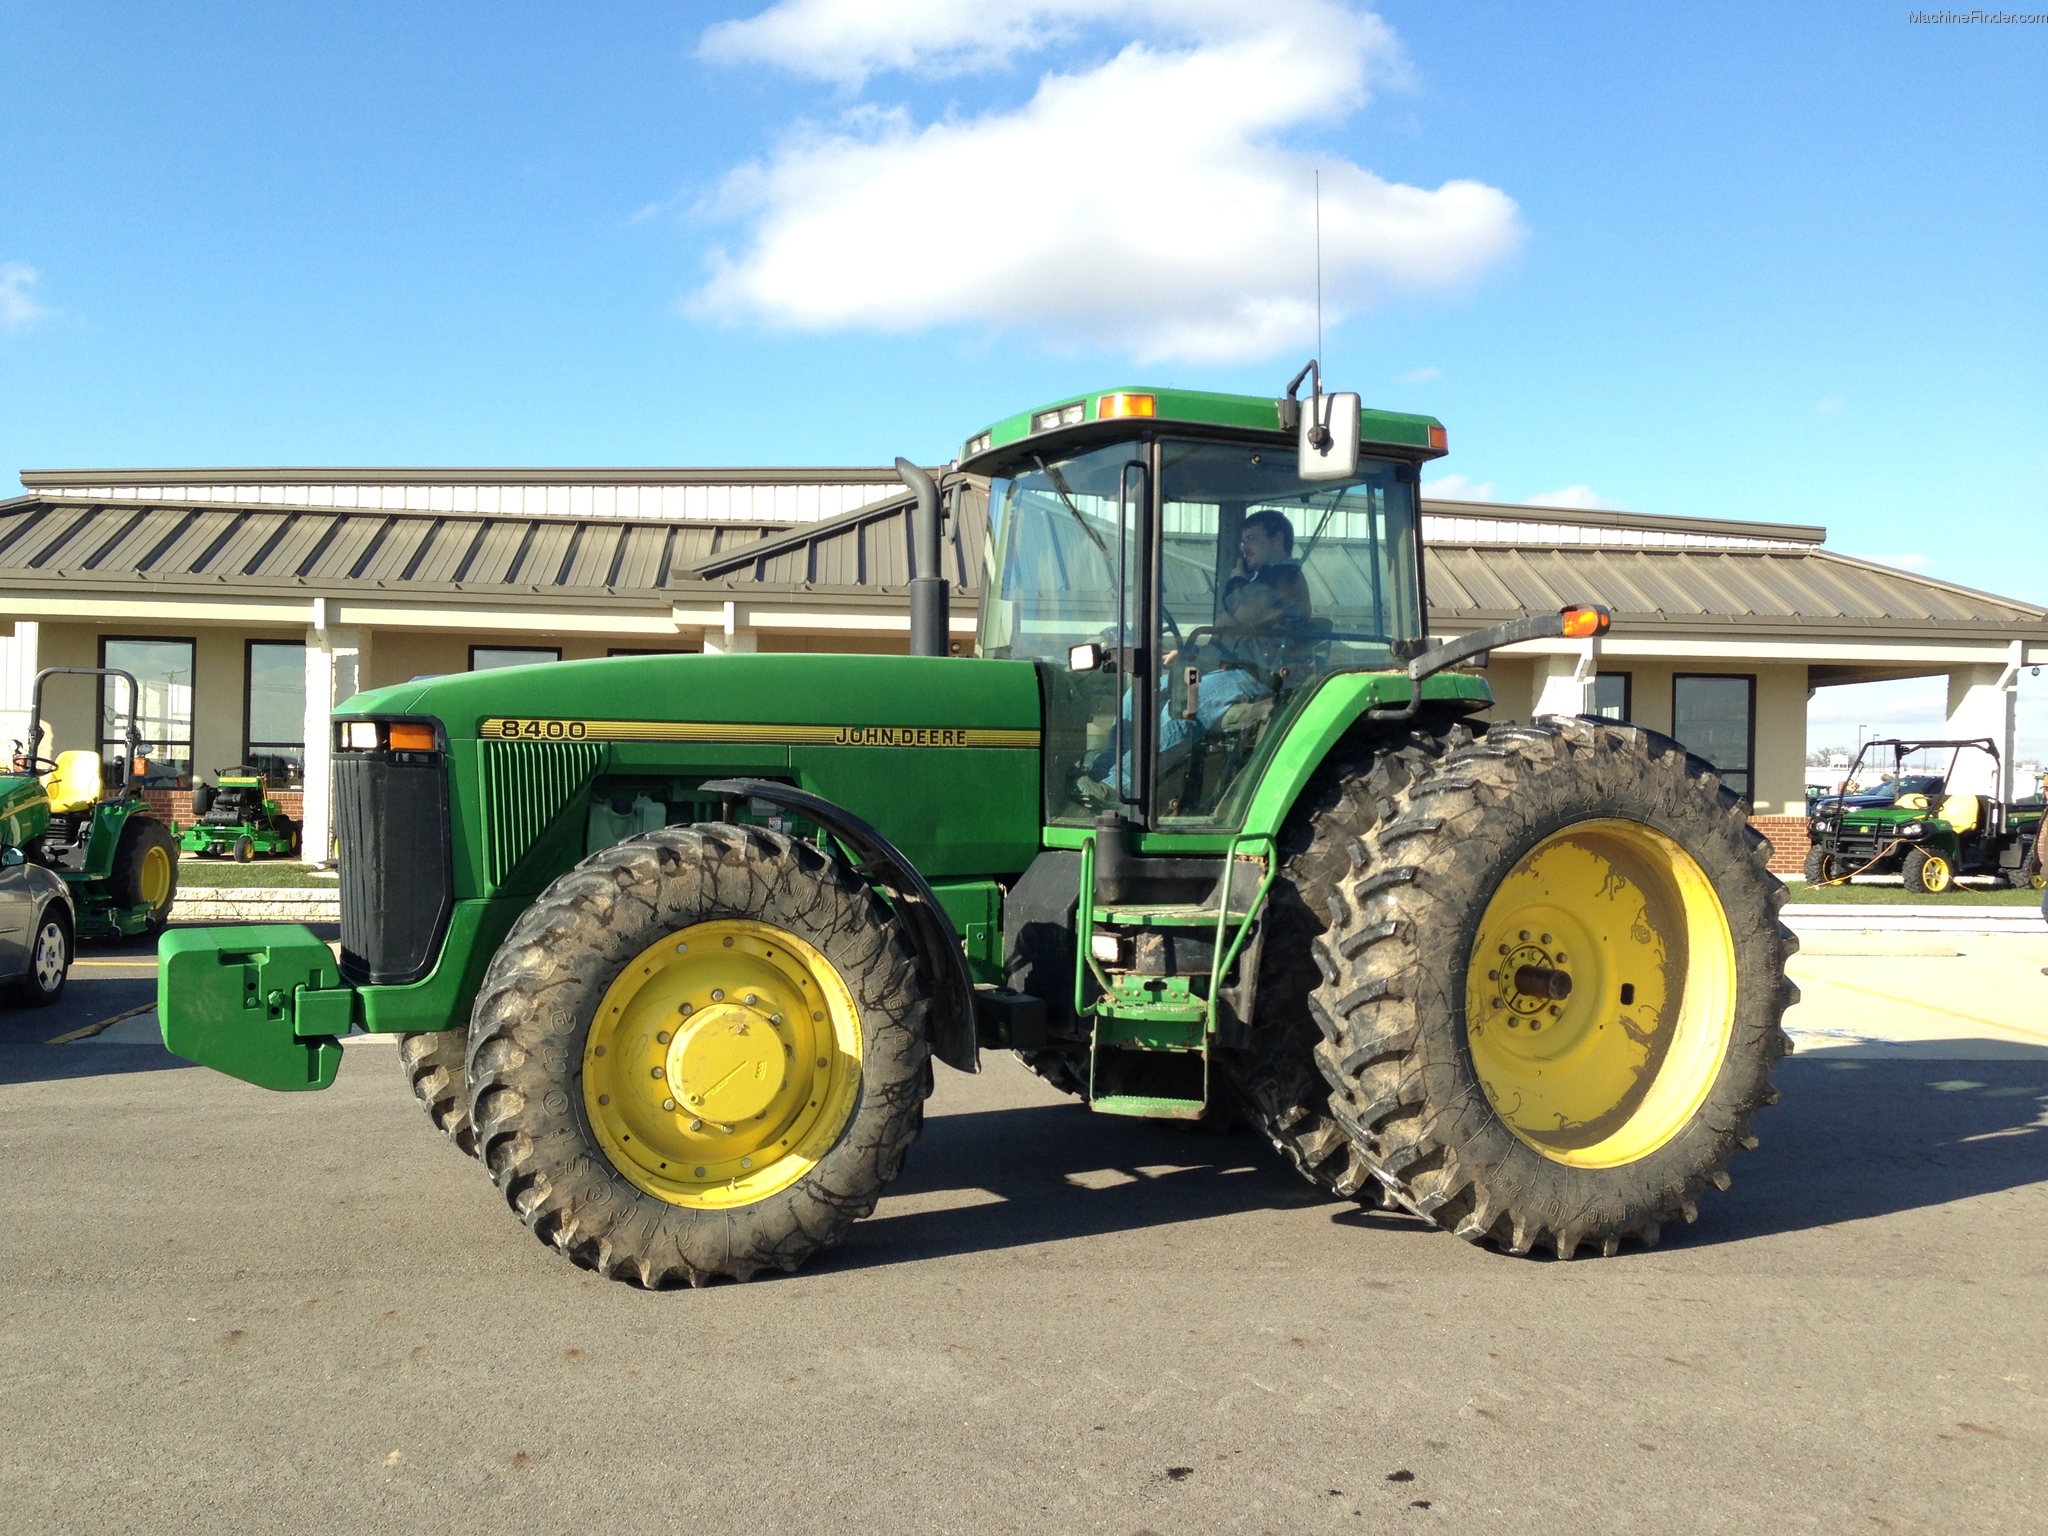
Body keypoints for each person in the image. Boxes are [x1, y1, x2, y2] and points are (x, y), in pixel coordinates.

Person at [1084, 509, 1310, 799]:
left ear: (1277, 539)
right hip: (1230, 668)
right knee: (1137, 696)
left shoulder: (1283, 580)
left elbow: (1233, 620)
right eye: (1242, 541)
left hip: (1257, 676)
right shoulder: (1264, 581)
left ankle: (1118, 785)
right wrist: (1189, 654)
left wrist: (1237, 577)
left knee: (1183, 707)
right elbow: (1232, 636)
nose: (1245, 548)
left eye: (1251, 539)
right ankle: (1101, 771)